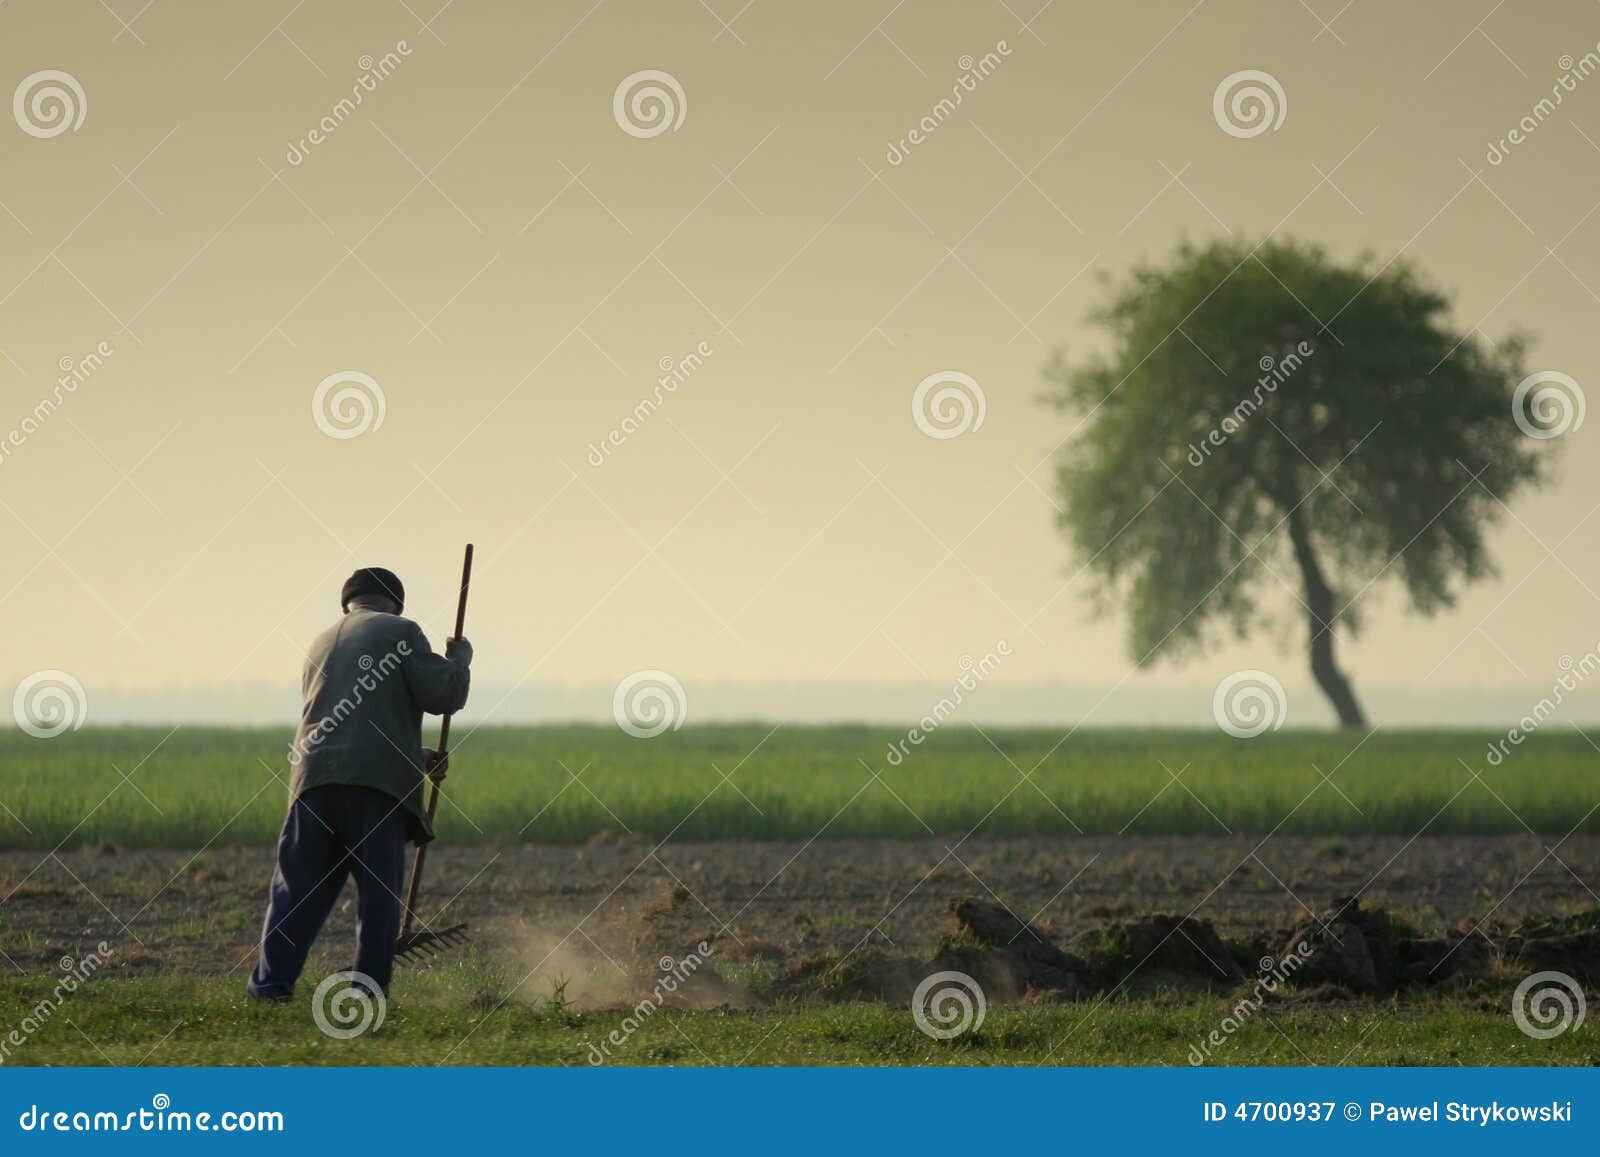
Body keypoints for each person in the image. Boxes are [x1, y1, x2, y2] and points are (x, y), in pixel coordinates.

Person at [246, 566, 472, 1001]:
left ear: (346, 604)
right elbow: (442, 694)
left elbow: (352, 721)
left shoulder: (320, 642)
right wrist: (459, 660)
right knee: (378, 899)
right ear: (396, 603)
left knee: (295, 895)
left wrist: (416, 759)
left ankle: (268, 991)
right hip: (374, 792)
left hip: (313, 781)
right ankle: (365, 995)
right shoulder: (401, 630)